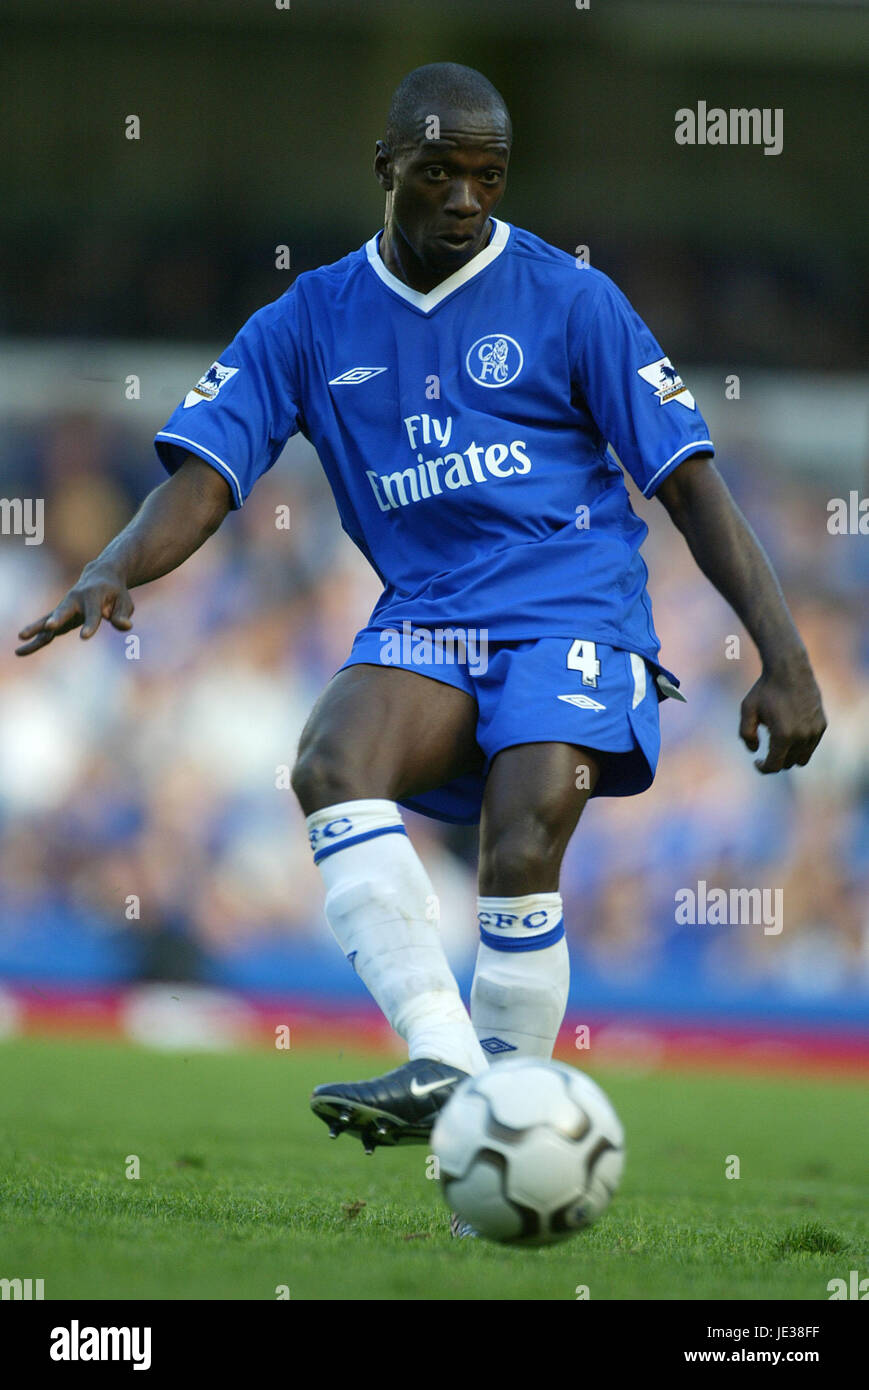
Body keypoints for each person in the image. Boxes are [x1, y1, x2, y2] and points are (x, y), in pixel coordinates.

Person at [17, 63, 826, 1161]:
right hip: (430, 616)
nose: (464, 199)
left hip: (571, 607)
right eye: (438, 174)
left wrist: (781, 658)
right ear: (385, 167)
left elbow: (689, 482)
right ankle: (448, 1059)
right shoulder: (308, 320)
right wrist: (116, 561)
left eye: (487, 177)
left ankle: (513, 1120)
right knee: (329, 759)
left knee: (525, 823)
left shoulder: (572, 299)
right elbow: (203, 480)